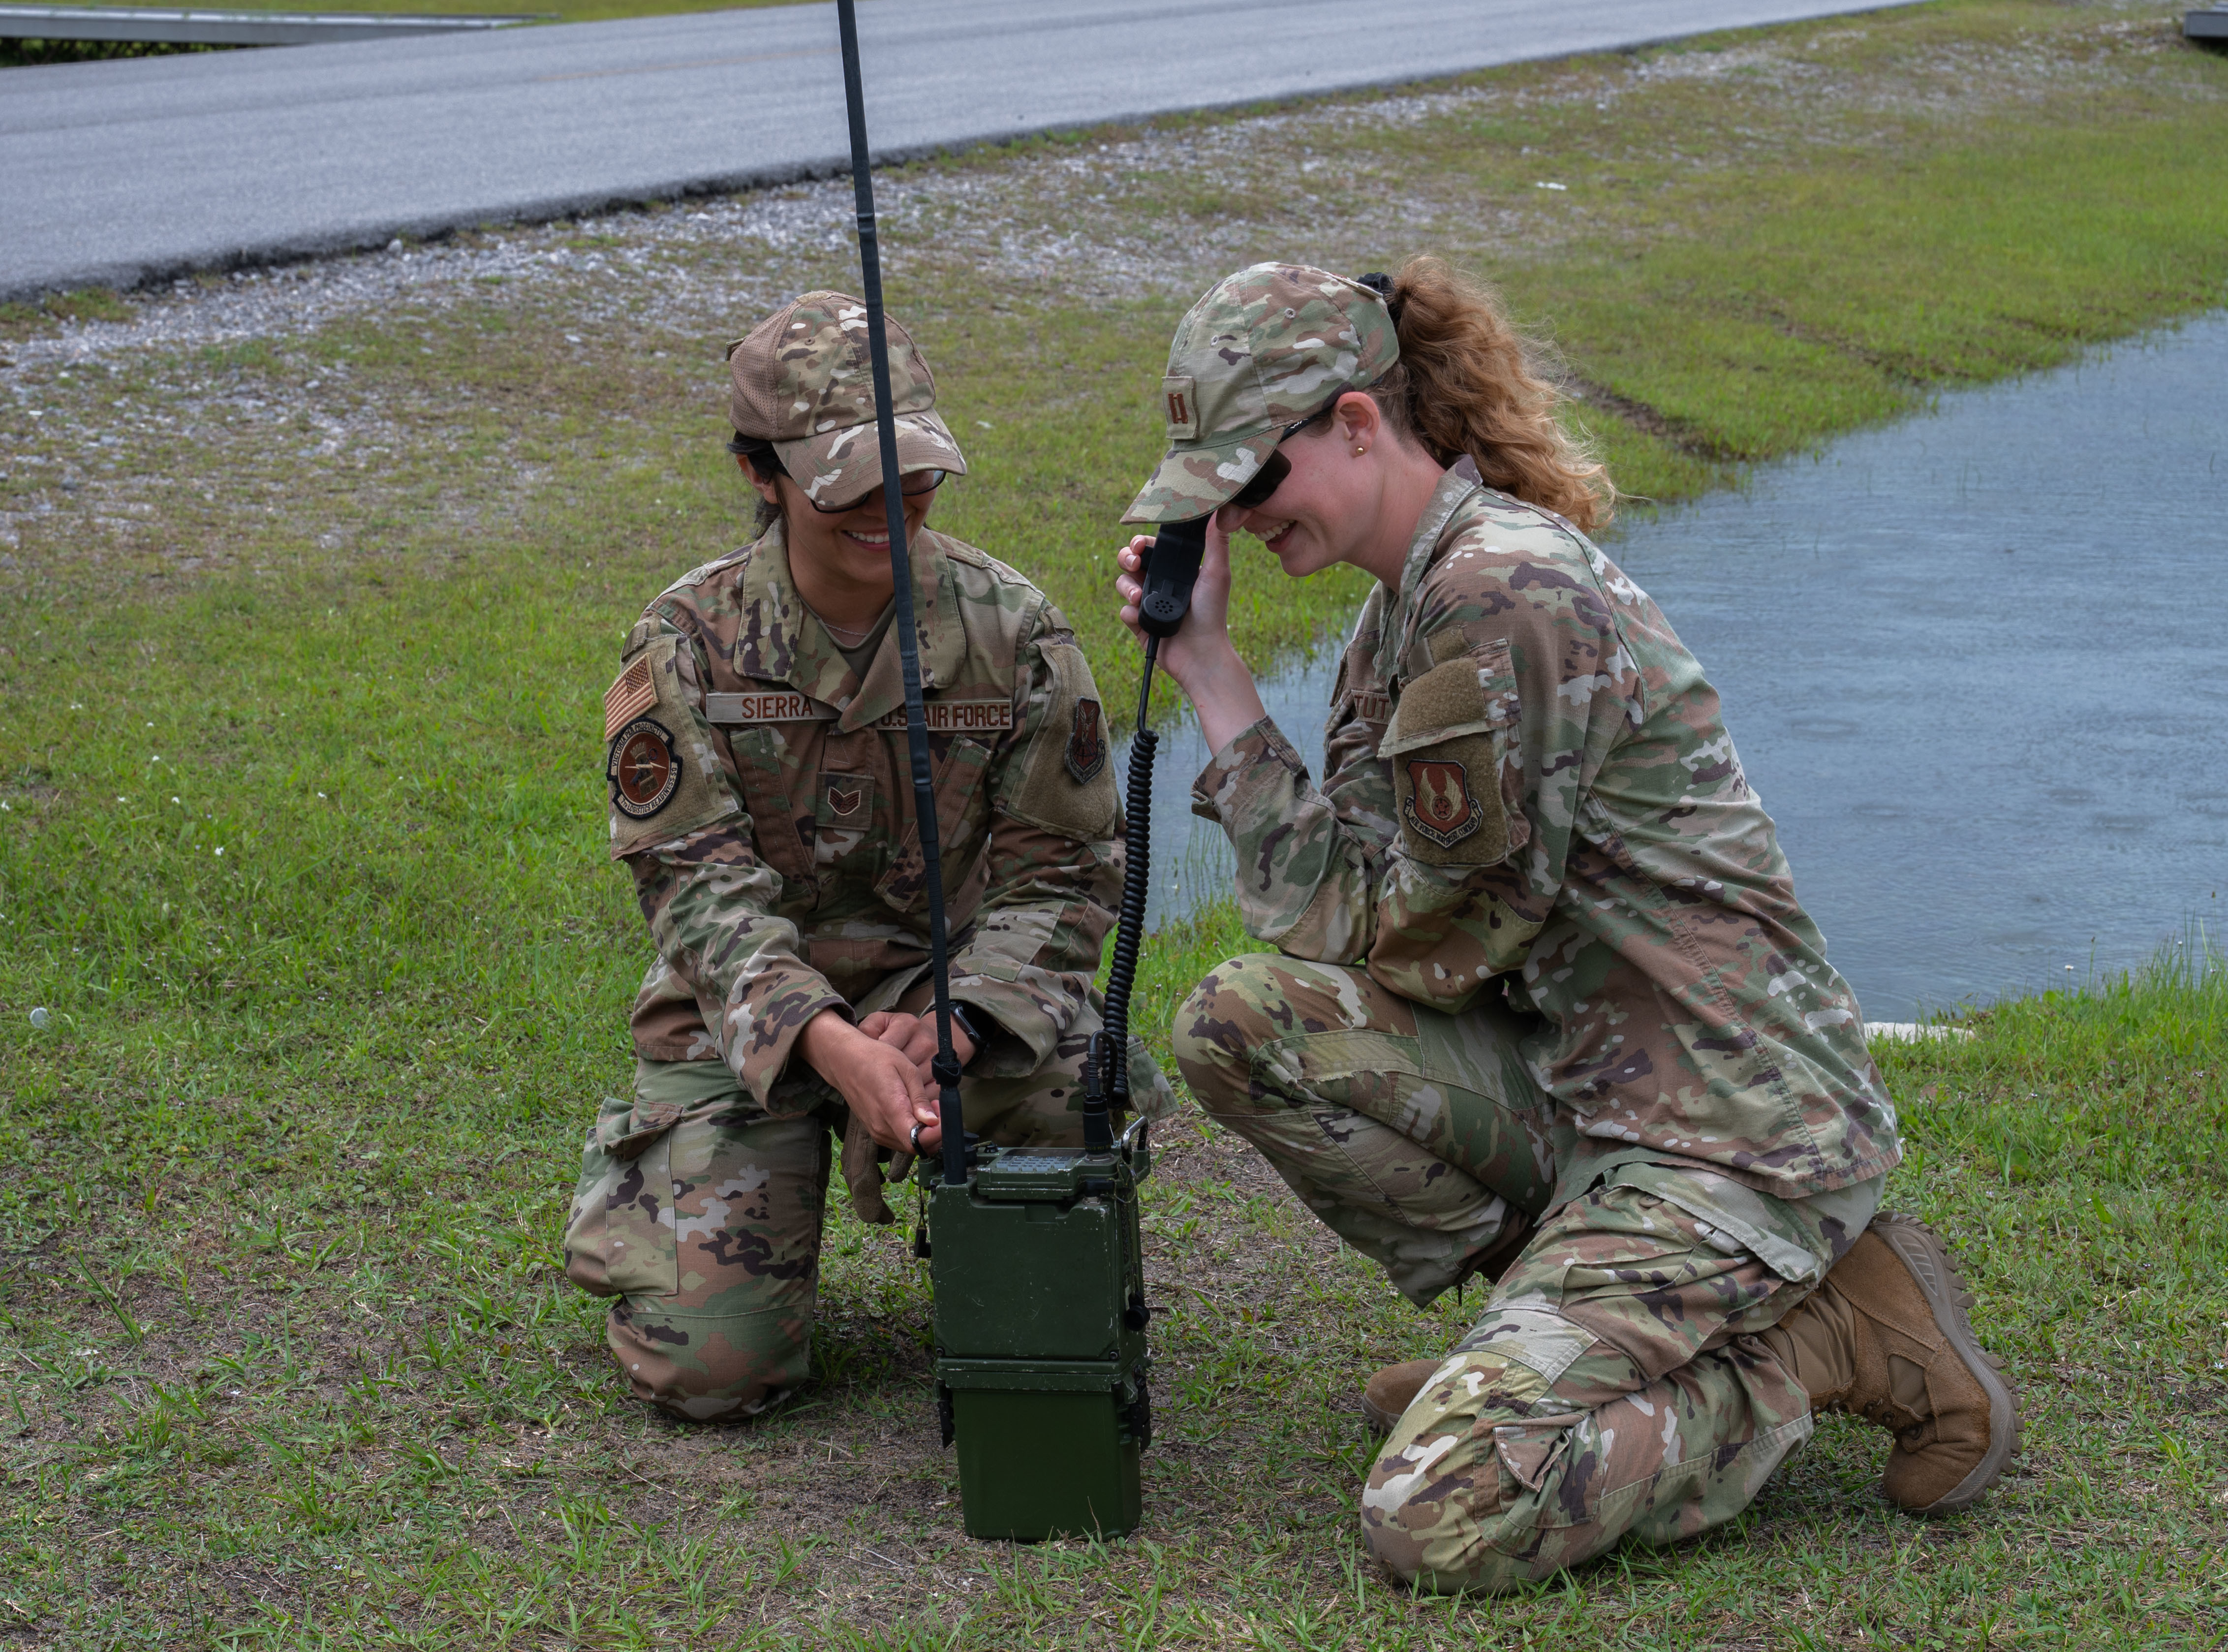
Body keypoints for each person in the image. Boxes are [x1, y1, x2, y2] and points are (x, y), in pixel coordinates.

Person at [1113, 259, 2016, 1590]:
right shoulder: (1400, 610)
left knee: (1440, 1510)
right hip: (1592, 1083)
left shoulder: (1498, 598)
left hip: (1723, 1130)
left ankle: (1814, 1345)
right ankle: (1553, 1332)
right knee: (1240, 1021)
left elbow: (1411, 940)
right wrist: (1206, 670)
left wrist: (1230, 702)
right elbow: (1349, 925)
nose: (1237, 525)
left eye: (1253, 483)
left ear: (1359, 426)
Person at [563, 290, 1168, 1422]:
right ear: (760, 473)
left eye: (915, 471)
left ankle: (992, 1231)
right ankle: (663, 1190)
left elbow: (1068, 869)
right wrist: (827, 1043)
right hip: (747, 1014)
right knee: (715, 1370)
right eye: (845, 480)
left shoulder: (1016, 633)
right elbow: (695, 892)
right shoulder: (685, 644)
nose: (892, 505)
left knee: (1087, 1079)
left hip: (943, 993)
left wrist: (963, 1011)